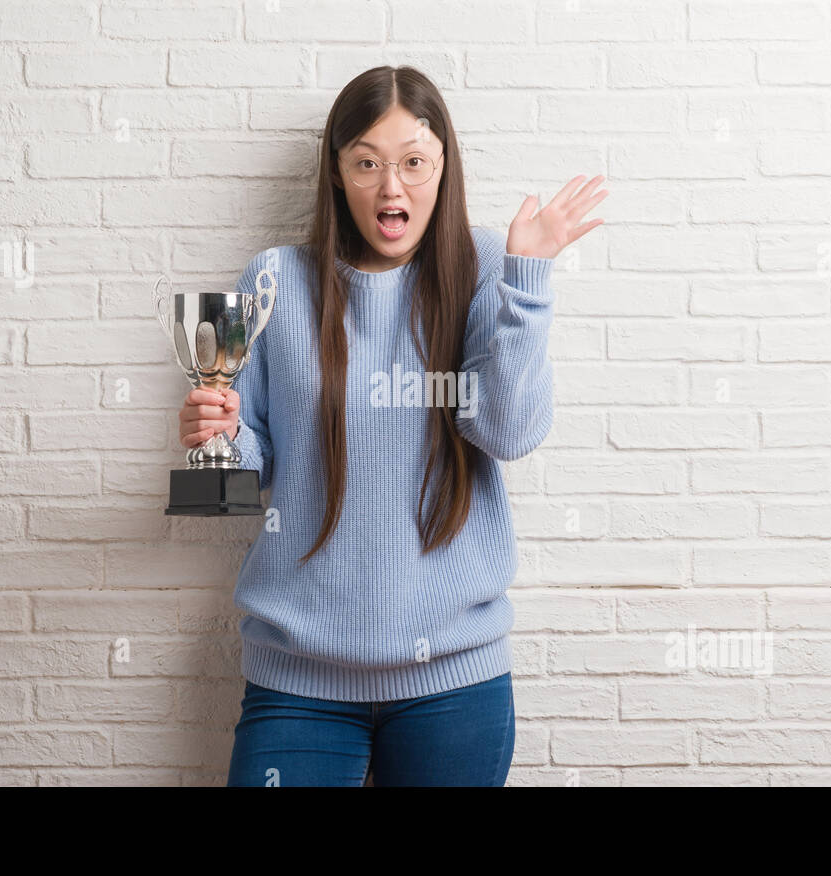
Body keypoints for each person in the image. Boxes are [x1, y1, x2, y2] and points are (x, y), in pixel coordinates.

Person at [176, 65, 606, 786]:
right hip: (297, 681)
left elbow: (509, 434)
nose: (391, 187)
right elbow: (229, 498)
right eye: (367, 163)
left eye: (414, 162)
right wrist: (215, 439)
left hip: (454, 680)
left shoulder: (486, 264)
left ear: (443, 167)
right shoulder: (269, 278)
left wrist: (528, 281)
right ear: (338, 173)